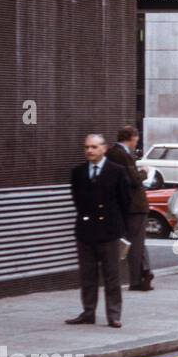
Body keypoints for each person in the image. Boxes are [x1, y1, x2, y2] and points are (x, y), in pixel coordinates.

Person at [67, 133, 133, 328]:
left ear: (104, 149)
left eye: (94, 147)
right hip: (86, 231)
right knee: (87, 275)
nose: (89, 150)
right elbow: (77, 201)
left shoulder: (117, 171)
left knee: (111, 275)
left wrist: (119, 228)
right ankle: (88, 312)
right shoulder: (78, 172)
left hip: (109, 232)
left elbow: (125, 201)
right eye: (87, 147)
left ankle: (114, 315)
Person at [107, 125, 153, 291]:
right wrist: (145, 172)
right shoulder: (123, 155)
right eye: (136, 139)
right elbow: (133, 180)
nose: (137, 142)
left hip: (126, 205)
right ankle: (139, 278)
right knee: (136, 242)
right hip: (135, 205)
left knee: (136, 241)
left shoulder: (113, 153)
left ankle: (145, 272)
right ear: (132, 138)